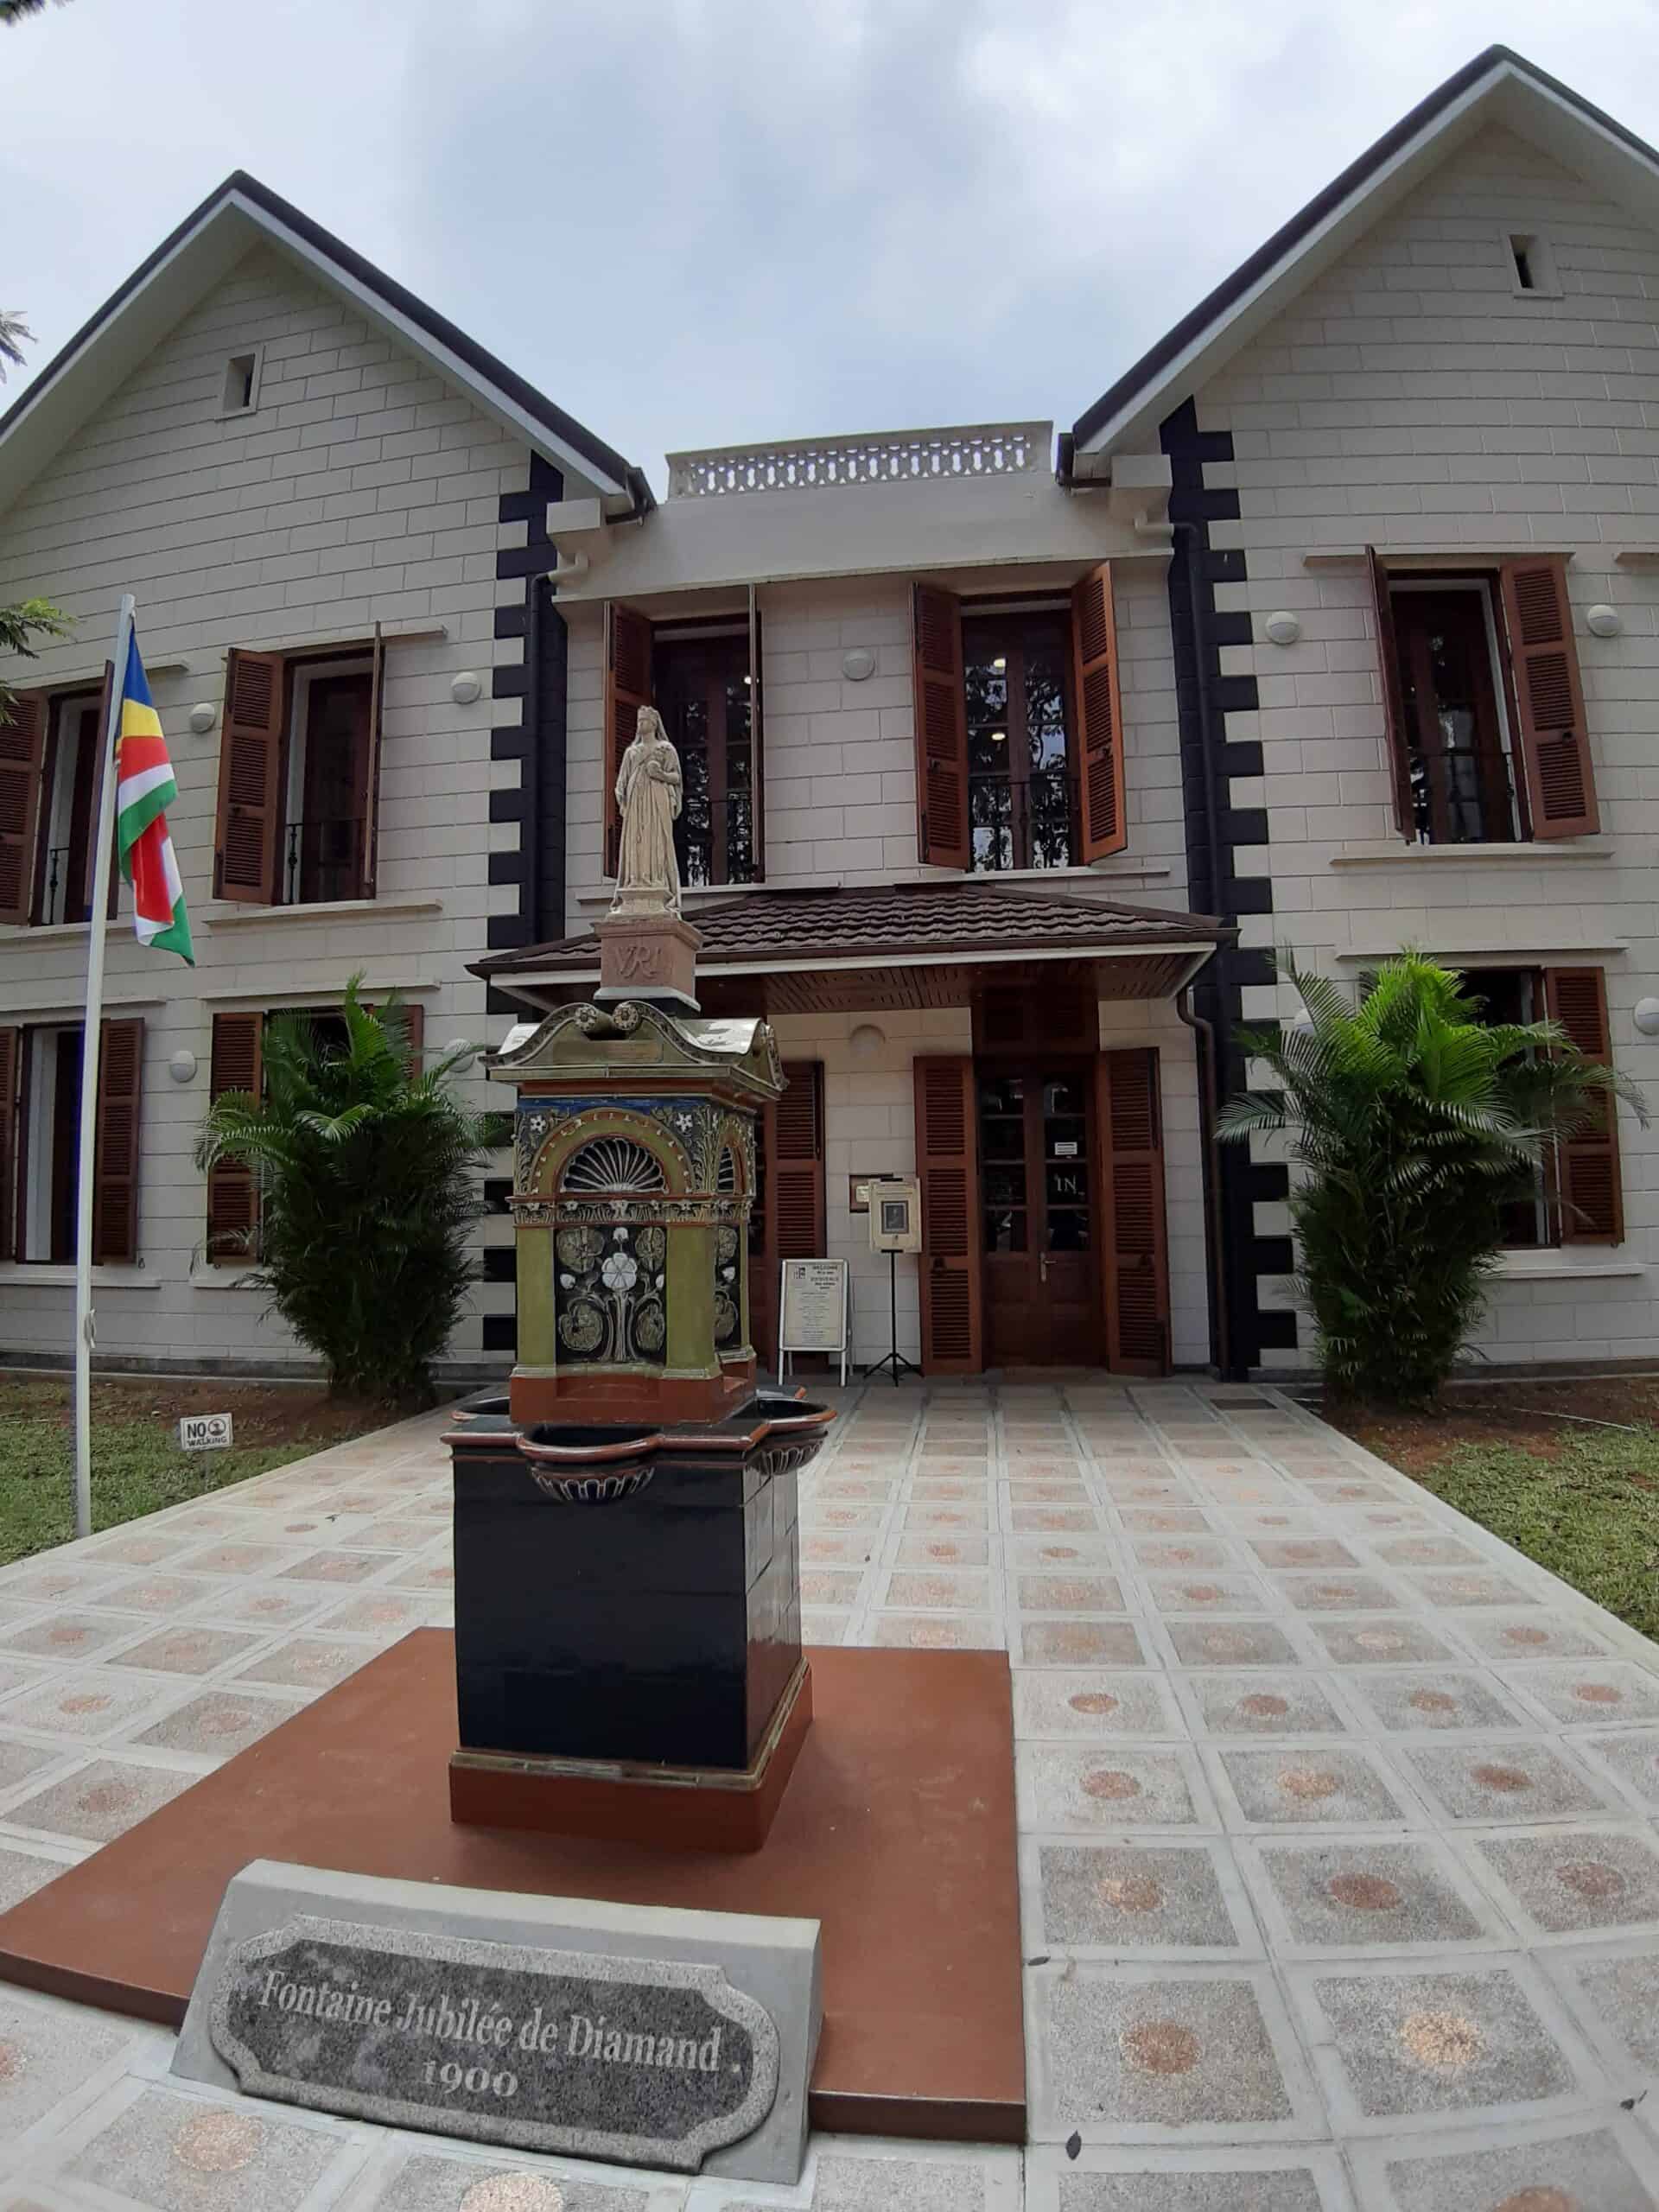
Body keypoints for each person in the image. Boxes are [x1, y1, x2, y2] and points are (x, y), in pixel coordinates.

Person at [612, 706, 683, 913]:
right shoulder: (631, 752)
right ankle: (635, 880)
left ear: (654, 723)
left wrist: (660, 775)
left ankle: (657, 880)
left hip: (656, 800)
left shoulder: (666, 749)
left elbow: (677, 778)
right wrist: (622, 796)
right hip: (636, 801)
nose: (640, 724)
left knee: (656, 838)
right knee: (636, 839)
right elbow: (621, 781)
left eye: (644, 720)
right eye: (639, 720)